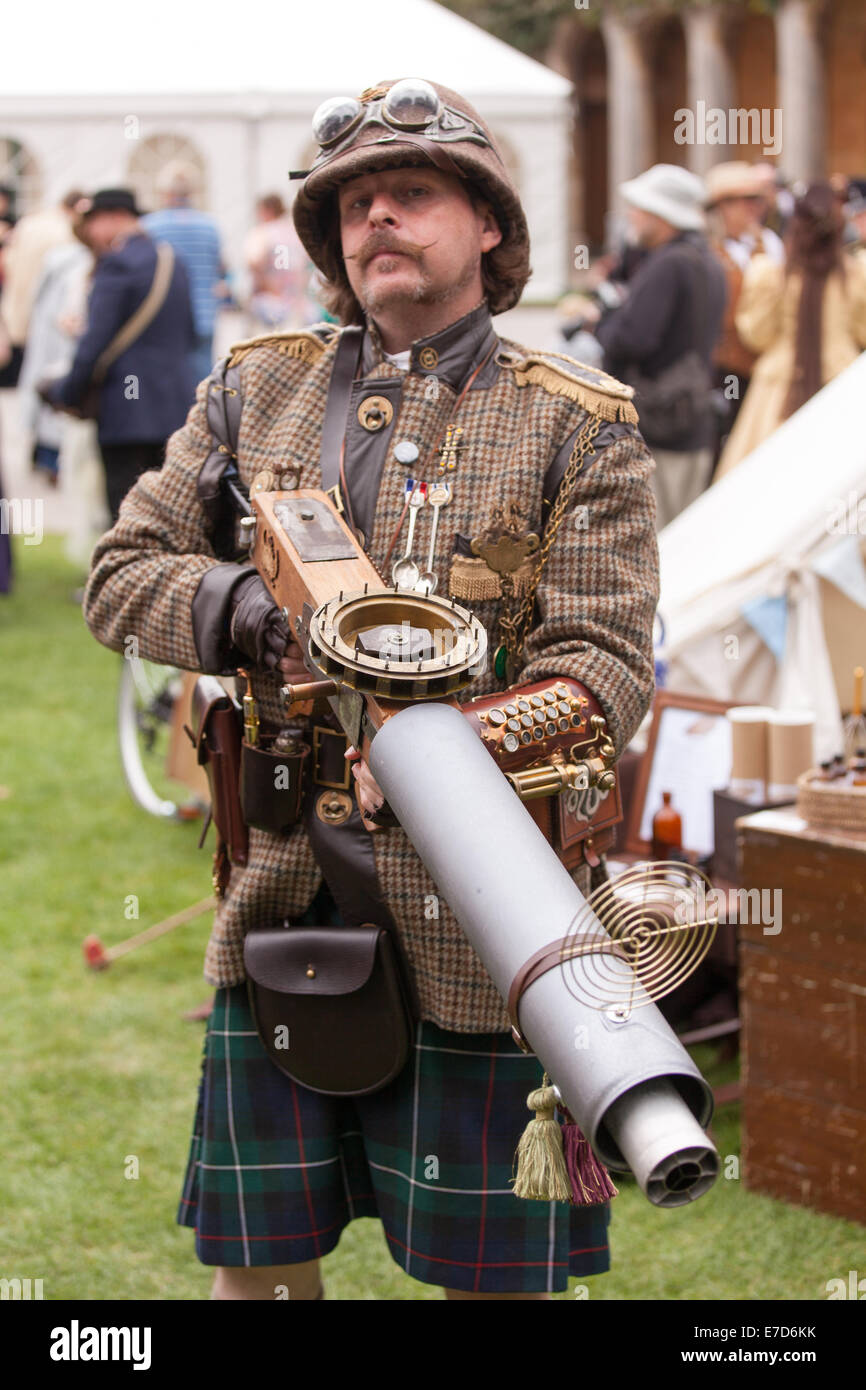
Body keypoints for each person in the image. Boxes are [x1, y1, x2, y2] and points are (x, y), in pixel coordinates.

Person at [82, 78, 658, 1300]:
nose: (377, 220)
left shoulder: (578, 423)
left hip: (489, 918)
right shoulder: (255, 386)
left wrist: (438, 755)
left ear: (488, 224)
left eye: (412, 194)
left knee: (490, 1283)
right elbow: (120, 576)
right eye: (354, 204)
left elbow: (603, 667)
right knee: (262, 1263)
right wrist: (247, 606)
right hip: (285, 892)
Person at [41, 188, 196, 521]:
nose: (91, 234)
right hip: (173, 407)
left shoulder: (117, 263)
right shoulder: (174, 260)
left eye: (92, 223)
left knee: (126, 513)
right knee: (168, 512)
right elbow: (191, 333)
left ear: (111, 218)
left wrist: (66, 392)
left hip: (126, 407)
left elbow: (94, 343)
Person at [594, 164, 727, 530]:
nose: (632, 216)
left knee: (658, 543)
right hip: (690, 419)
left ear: (661, 215)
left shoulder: (669, 264)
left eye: (639, 208)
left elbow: (634, 338)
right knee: (682, 536)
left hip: (661, 424)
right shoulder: (707, 260)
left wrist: (602, 323)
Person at [715, 181, 866, 480]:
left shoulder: (771, 276)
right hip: (840, 384)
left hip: (777, 388)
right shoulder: (857, 276)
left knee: (762, 478)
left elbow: (756, 334)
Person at [704, 161, 785, 461]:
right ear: (722, 207)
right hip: (718, 368)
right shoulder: (706, 251)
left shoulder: (771, 244)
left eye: (758, 200)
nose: (755, 208)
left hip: (760, 366)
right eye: (746, 201)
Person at [143, 160, 230, 384]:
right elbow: (220, 269)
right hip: (204, 313)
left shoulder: (151, 227)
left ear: (165, 192)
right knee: (202, 383)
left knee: (167, 382)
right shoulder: (210, 226)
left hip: (165, 317)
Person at [243, 193, 319, 331]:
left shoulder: (262, 232)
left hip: (271, 304)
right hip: (299, 306)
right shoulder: (296, 232)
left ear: (267, 210)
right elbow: (309, 265)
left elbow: (254, 261)